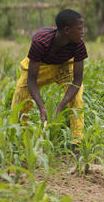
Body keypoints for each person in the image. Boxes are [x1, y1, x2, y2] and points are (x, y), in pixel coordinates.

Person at [11, 8, 88, 144]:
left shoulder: (78, 44)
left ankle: (76, 145)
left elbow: (77, 80)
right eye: (80, 28)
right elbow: (31, 79)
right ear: (67, 30)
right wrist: (41, 107)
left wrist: (61, 105)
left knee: (77, 100)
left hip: (64, 66)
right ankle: (24, 146)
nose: (83, 32)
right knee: (19, 106)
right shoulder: (40, 42)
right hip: (40, 66)